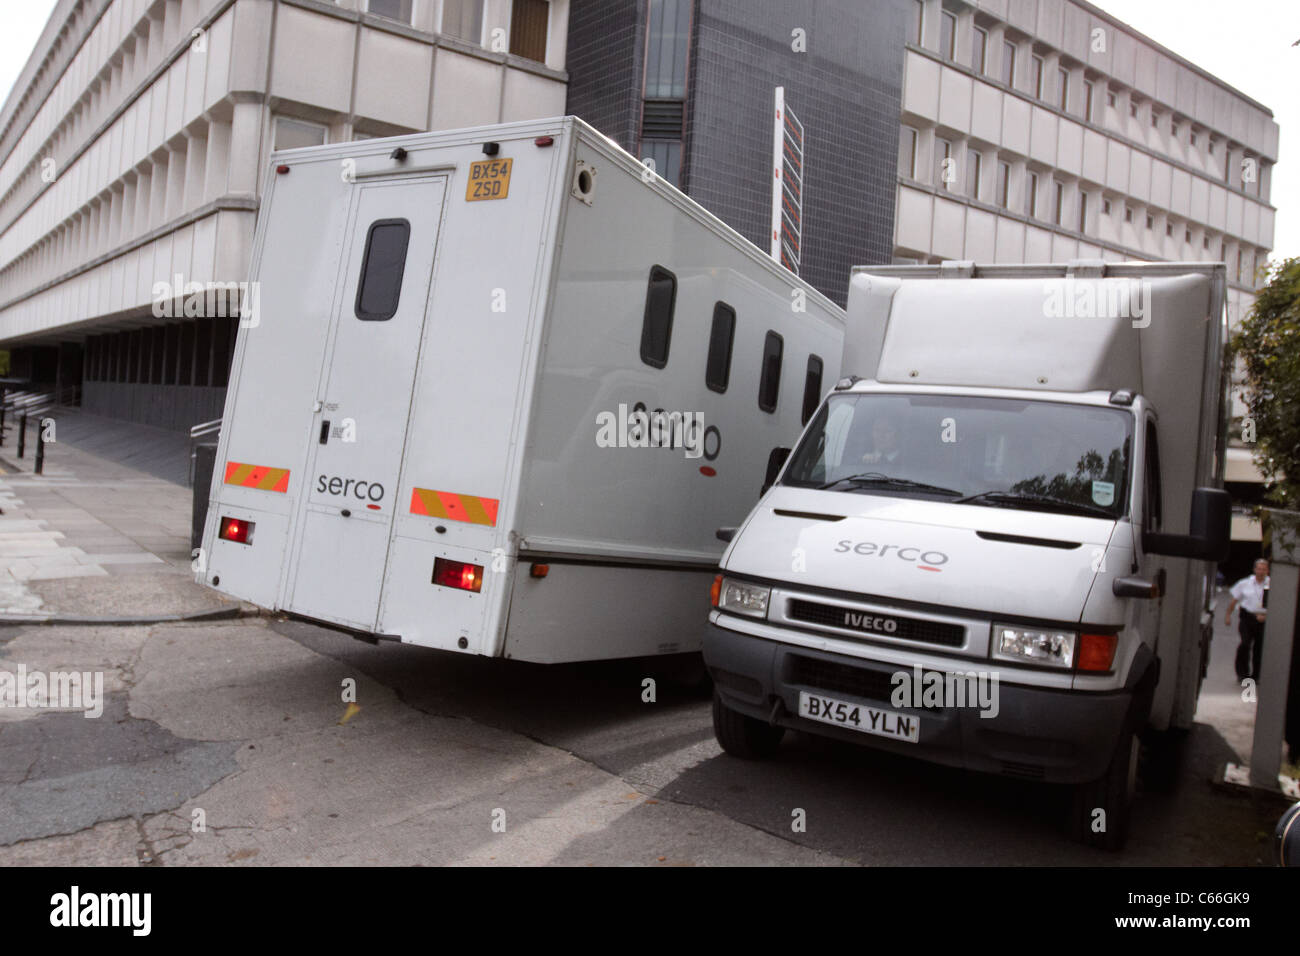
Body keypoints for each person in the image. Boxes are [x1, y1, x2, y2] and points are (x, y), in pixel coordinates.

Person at [1225, 558, 1270, 682]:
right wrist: (1228, 615)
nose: (1261, 572)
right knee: (1245, 643)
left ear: (1267, 571)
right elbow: (1234, 600)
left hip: (1264, 618)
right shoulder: (1245, 583)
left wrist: (1265, 616)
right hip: (1247, 617)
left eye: (1264, 569)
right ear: (1255, 570)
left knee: (1259, 647)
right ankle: (1242, 672)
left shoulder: (1271, 584)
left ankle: (1256, 674)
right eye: (1259, 569)